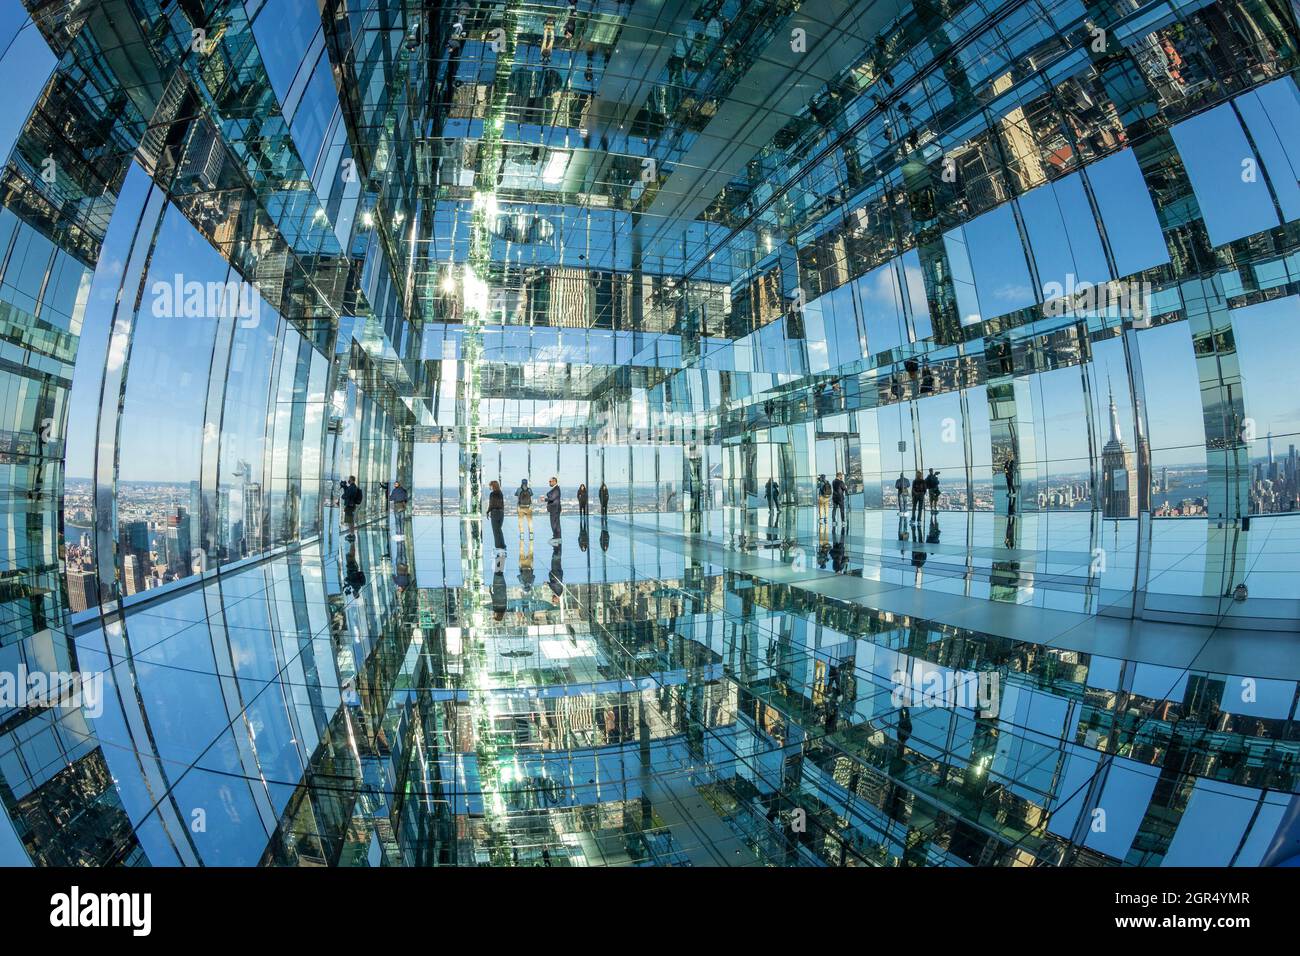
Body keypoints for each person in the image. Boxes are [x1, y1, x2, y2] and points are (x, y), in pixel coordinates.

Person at [487, 480, 505, 552]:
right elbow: (502, 504)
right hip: (501, 513)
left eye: (490, 486)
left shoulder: (492, 494)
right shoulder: (500, 493)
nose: (489, 487)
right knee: (499, 530)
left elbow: (491, 504)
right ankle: (502, 545)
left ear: (493, 486)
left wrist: (488, 511)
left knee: (495, 531)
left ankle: (498, 546)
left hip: (495, 513)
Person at [545, 476, 562, 542]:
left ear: (554, 481)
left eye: (550, 481)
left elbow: (552, 498)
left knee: (554, 524)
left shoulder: (556, 489)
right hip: (555, 509)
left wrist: (545, 499)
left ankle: (556, 537)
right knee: (556, 524)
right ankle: (557, 538)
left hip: (555, 509)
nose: (549, 483)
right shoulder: (556, 489)